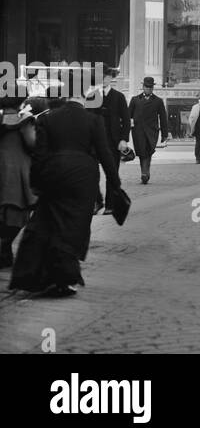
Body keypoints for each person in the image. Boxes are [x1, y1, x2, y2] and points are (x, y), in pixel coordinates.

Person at [8, 84, 122, 298]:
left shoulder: (48, 118)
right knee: (73, 227)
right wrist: (115, 184)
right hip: (83, 177)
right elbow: (105, 154)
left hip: (55, 173)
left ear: (65, 96)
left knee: (48, 223)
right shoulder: (93, 120)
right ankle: (65, 278)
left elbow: (40, 155)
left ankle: (36, 276)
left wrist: (36, 182)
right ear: (83, 96)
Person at [0, 97, 37, 269]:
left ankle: (4, 250)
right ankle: (4, 247)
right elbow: (33, 144)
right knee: (18, 214)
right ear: (19, 104)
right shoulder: (24, 121)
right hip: (17, 174)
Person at [89, 68, 130, 214]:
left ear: (111, 78)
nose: (104, 79)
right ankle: (97, 202)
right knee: (92, 172)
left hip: (113, 141)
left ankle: (110, 205)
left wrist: (124, 139)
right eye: (101, 76)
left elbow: (126, 120)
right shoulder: (92, 96)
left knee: (111, 173)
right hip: (95, 141)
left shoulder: (119, 97)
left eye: (107, 76)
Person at [128, 77, 168, 185]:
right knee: (142, 152)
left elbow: (163, 118)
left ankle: (145, 172)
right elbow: (127, 116)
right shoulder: (135, 100)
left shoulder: (158, 101)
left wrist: (165, 134)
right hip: (138, 131)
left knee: (148, 151)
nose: (149, 89)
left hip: (152, 131)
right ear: (143, 87)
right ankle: (144, 172)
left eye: (151, 87)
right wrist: (125, 132)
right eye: (147, 87)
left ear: (153, 88)